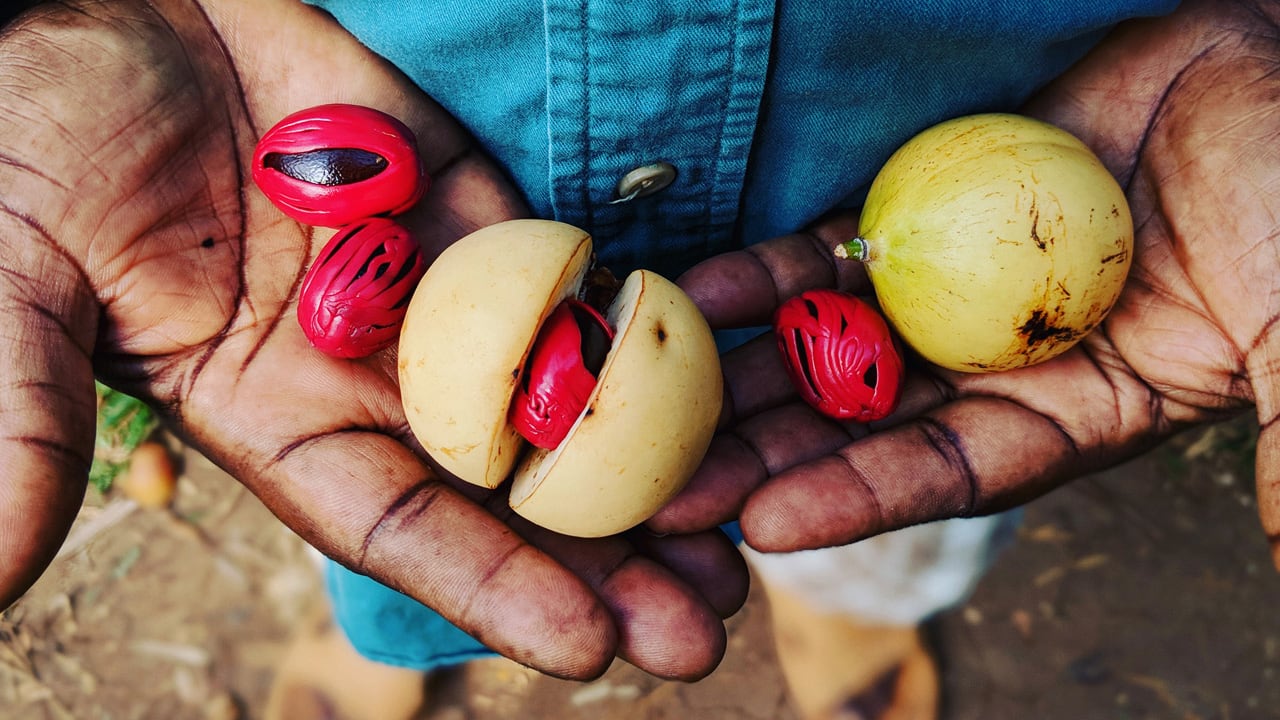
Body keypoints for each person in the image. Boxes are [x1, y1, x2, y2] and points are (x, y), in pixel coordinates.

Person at [1, 0, 1277, 718]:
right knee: (383, 466)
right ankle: (393, 636)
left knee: (893, 475)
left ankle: (856, 605)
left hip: (979, 115)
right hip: (392, 93)